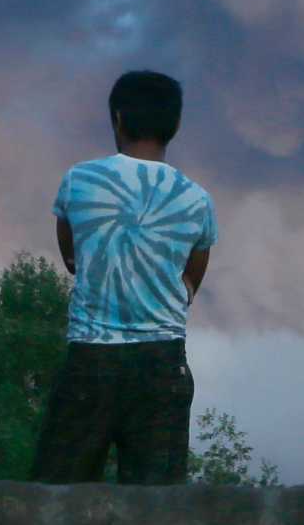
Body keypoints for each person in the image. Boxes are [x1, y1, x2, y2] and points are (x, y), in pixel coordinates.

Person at [32, 70, 218, 483]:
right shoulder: (196, 197)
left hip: (91, 355)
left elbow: (70, 250)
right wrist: (177, 293)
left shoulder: (80, 180)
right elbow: (196, 263)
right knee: (156, 506)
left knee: (55, 498)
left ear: (118, 118)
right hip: (162, 361)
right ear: (175, 125)